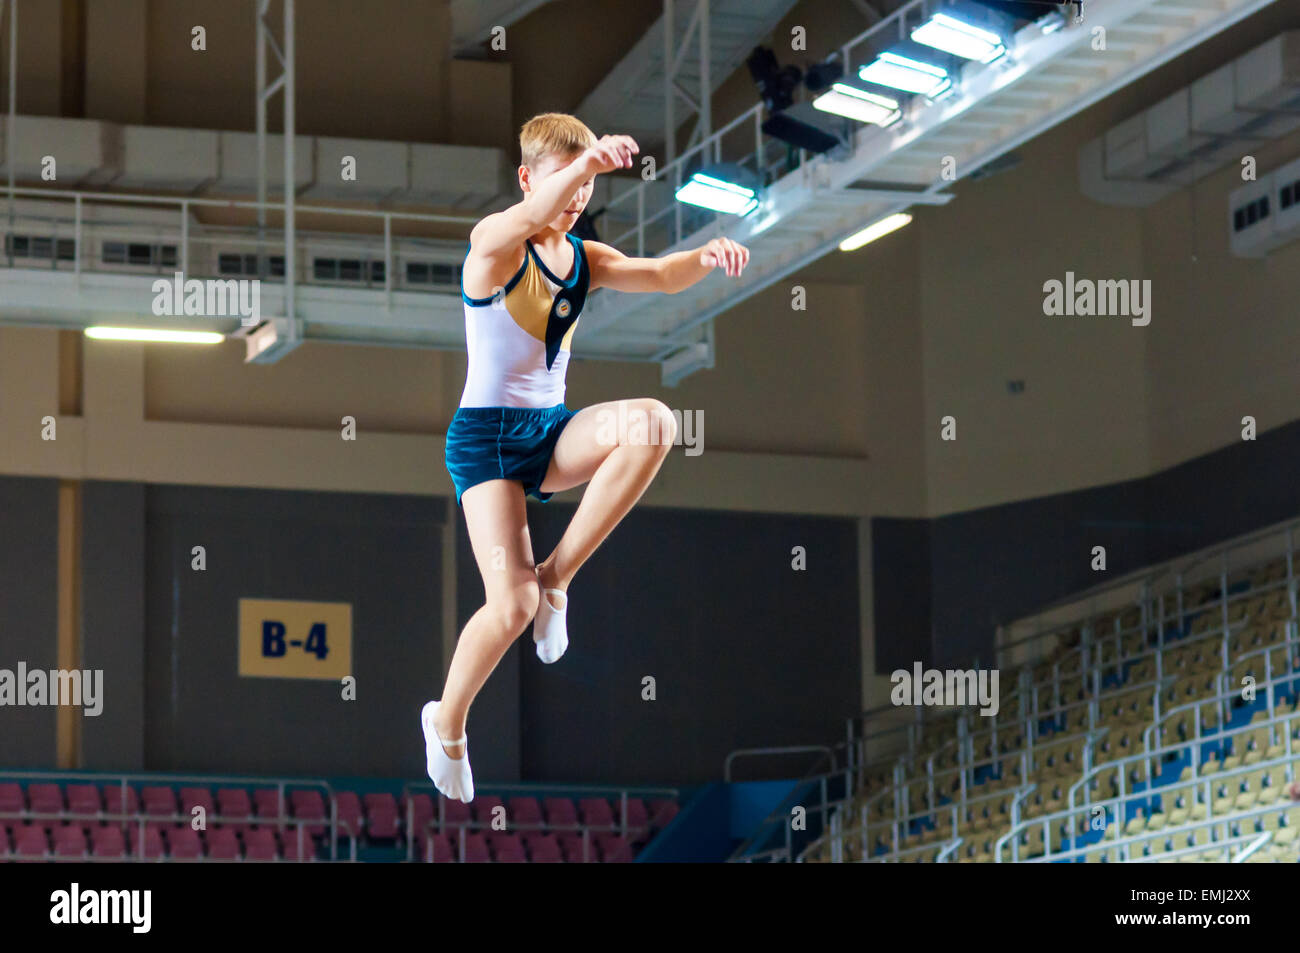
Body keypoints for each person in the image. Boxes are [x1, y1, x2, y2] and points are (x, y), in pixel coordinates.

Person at [422, 113, 750, 802]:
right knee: (508, 608)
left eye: (586, 188)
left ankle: (558, 577)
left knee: (654, 423)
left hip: (549, 431)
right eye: (565, 182)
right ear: (527, 178)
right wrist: (586, 165)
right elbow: (535, 213)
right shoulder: (492, 244)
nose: (576, 199)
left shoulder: (586, 259)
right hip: (484, 442)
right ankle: (447, 720)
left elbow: (658, 275)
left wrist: (707, 255)